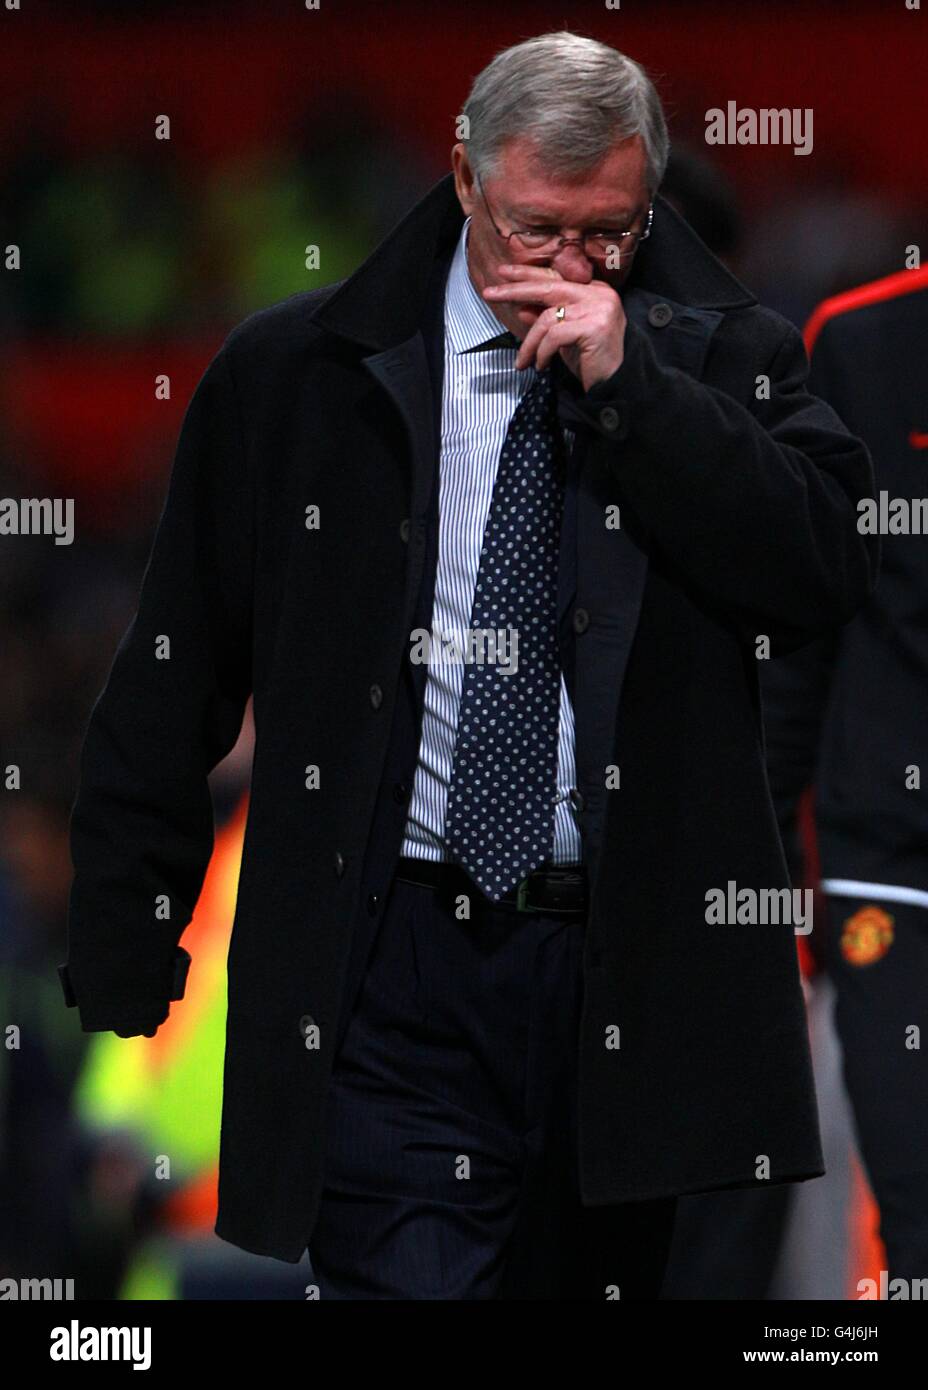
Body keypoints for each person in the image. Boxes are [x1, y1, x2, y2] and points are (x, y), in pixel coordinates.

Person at [59, 31, 877, 1299]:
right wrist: (129, 922)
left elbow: (822, 566)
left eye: (605, 234)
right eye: (534, 229)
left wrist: (639, 391)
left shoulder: (724, 355)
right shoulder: (298, 378)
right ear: (461, 180)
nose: (565, 267)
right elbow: (177, 661)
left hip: (627, 977)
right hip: (394, 968)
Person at [761, 265, 928, 1283]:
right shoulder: (858, 344)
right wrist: (773, 860)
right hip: (889, 874)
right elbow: (798, 628)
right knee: (916, 1220)